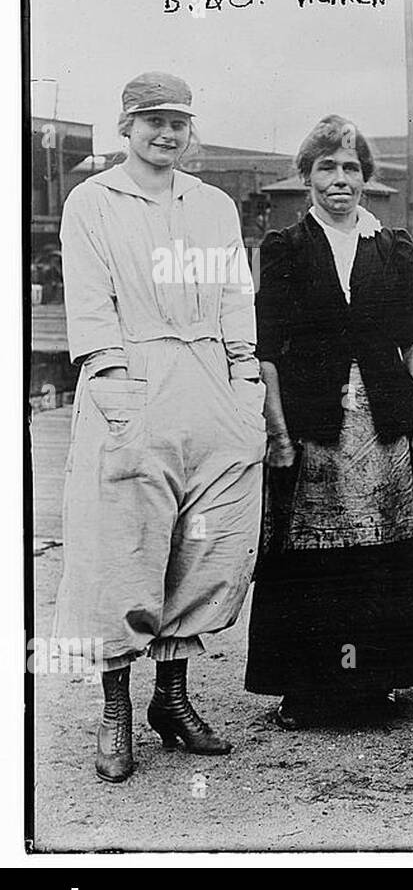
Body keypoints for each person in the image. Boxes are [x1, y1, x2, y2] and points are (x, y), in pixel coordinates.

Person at [55, 71, 263, 782]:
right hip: (133, 373)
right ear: (126, 125)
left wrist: (243, 381)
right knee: (125, 547)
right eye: (152, 120)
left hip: (208, 375)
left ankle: (171, 700)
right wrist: (114, 388)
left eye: (178, 121)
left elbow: (237, 296)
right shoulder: (93, 201)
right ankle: (115, 712)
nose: (166, 133)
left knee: (206, 542)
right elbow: (88, 300)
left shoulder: (212, 206)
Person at [245, 114, 413, 727]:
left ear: (366, 178)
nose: (340, 178)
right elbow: (266, 348)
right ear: (307, 176)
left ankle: (375, 681)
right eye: (327, 166)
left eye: (351, 167)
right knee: (311, 556)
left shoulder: (395, 246)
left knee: (380, 552)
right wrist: (277, 431)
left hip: (382, 425)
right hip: (312, 424)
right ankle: (307, 688)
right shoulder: (286, 247)